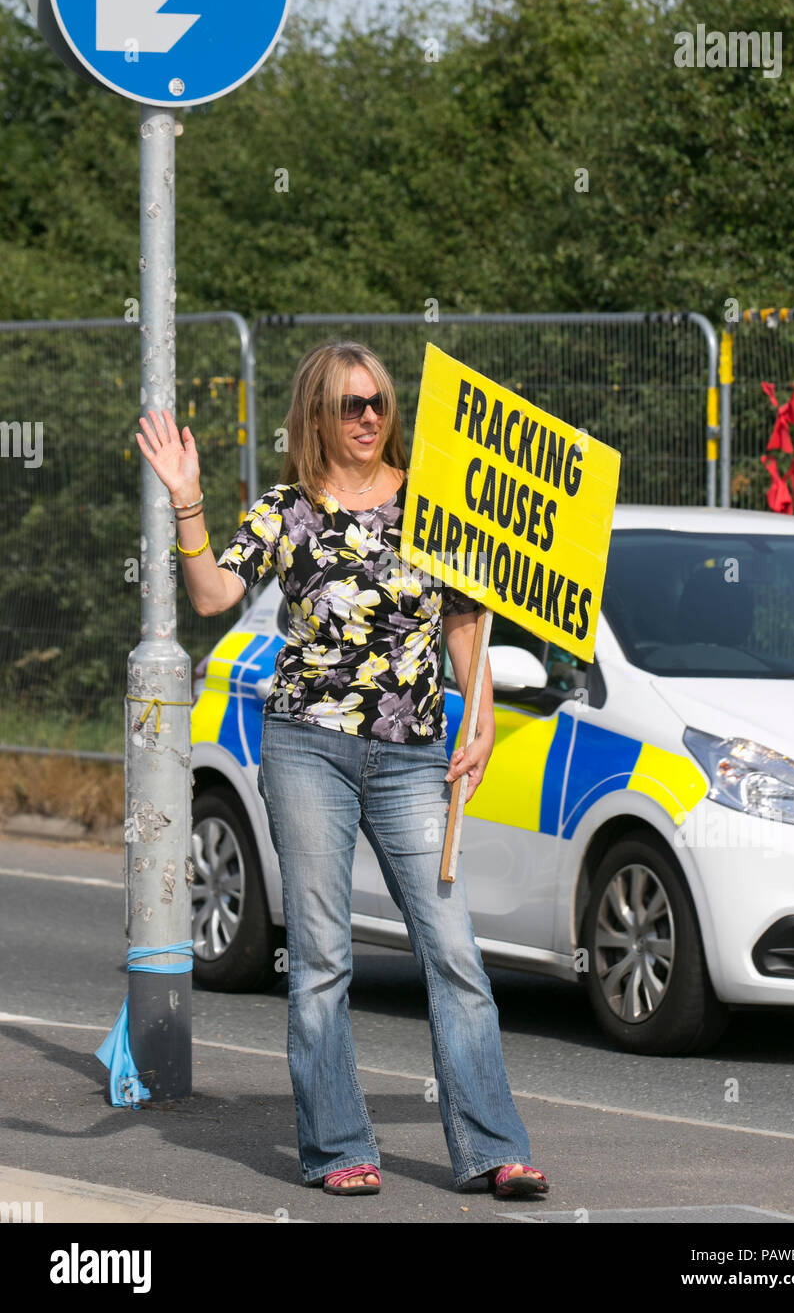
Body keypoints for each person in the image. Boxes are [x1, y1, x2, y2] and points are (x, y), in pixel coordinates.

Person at [135, 340, 549, 1201]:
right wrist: (188, 502)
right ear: (316, 414)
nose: (368, 418)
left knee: (455, 951)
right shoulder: (287, 510)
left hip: (413, 756)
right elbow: (213, 597)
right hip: (306, 750)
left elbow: (466, 619)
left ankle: (493, 1147)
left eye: (379, 404)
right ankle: (337, 1146)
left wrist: (482, 721)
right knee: (321, 956)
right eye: (350, 404)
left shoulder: (434, 505)